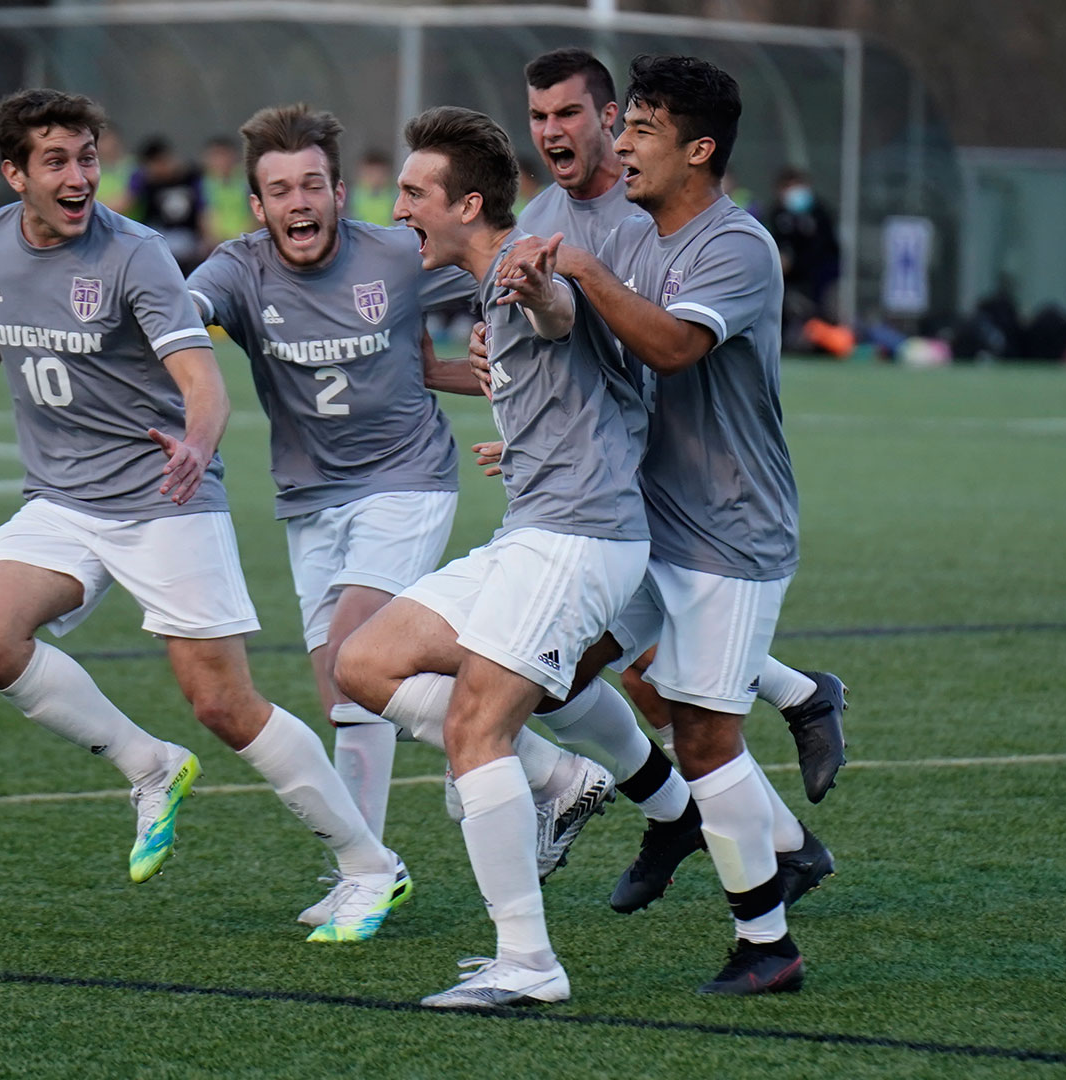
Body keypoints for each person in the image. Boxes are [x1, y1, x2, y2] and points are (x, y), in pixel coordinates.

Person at [0, 89, 413, 944]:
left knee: (224, 704)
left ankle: (369, 865)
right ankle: (150, 765)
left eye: (88, 158)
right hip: (61, 499)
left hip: (162, 497)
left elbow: (202, 381)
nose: (78, 177)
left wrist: (197, 444)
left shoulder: (136, 255)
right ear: (14, 173)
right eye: (56, 162)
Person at [503, 49, 848, 910]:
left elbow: (671, 347)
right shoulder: (640, 238)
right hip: (641, 517)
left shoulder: (736, 244)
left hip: (728, 527)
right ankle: (723, 817)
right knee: (547, 673)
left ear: (697, 150)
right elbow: (607, 364)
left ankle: (765, 937)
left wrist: (583, 271)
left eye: (638, 128)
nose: (620, 144)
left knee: (700, 736)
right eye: (623, 128)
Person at [336, 105, 651, 1008]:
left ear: (467, 204)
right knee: (364, 663)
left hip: (579, 539)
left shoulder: (520, 271)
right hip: (532, 533)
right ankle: (559, 776)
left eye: (413, 193)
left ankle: (529, 963)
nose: (398, 208)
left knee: (476, 731)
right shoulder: (488, 285)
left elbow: (555, 313)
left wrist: (542, 285)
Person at [183, 104, 485, 923]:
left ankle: (383, 861)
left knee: (355, 656)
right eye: (280, 190)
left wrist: (522, 329)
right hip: (311, 498)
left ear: (340, 193)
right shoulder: (238, 270)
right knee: (343, 694)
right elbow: (178, 313)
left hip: (407, 480)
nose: (299, 201)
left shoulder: (394, 253)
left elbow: (495, 260)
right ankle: (379, 857)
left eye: (312, 184)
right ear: (258, 206)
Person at [765, 165, 840, 349]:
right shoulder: (776, 214)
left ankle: (824, 341)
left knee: (821, 311)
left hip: (821, 275)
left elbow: (825, 248)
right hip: (788, 278)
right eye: (789, 186)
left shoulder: (819, 213)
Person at [131, 137, 206, 274]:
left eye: (164, 161)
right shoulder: (146, 183)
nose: (162, 167)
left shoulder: (191, 177)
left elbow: (203, 210)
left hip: (188, 236)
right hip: (158, 234)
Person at [201, 135, 256, 250]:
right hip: (218, 242)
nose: (220, 161)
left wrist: (242, 238)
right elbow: (206, 214)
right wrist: (214, 239)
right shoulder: (206, 183)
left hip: (246, 239)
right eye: (215, 156)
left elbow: (255, 214)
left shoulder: (248, 180)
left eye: (223, 155)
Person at [349, 149, 397, 226]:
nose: (375, 179)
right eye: (370, 174)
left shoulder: (394, 196)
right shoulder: (352, 196)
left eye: (380, 175)